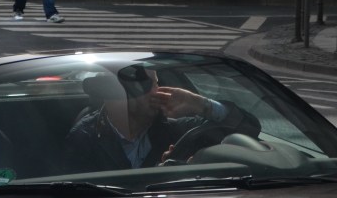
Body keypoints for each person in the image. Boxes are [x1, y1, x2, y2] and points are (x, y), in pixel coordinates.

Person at [62, 65, 260, 173]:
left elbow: (249, 129)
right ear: (115, 93)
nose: (155, 91)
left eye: (155, 83)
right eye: (144, 85)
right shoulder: (86, 136)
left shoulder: (175, 128)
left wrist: (202, 105)